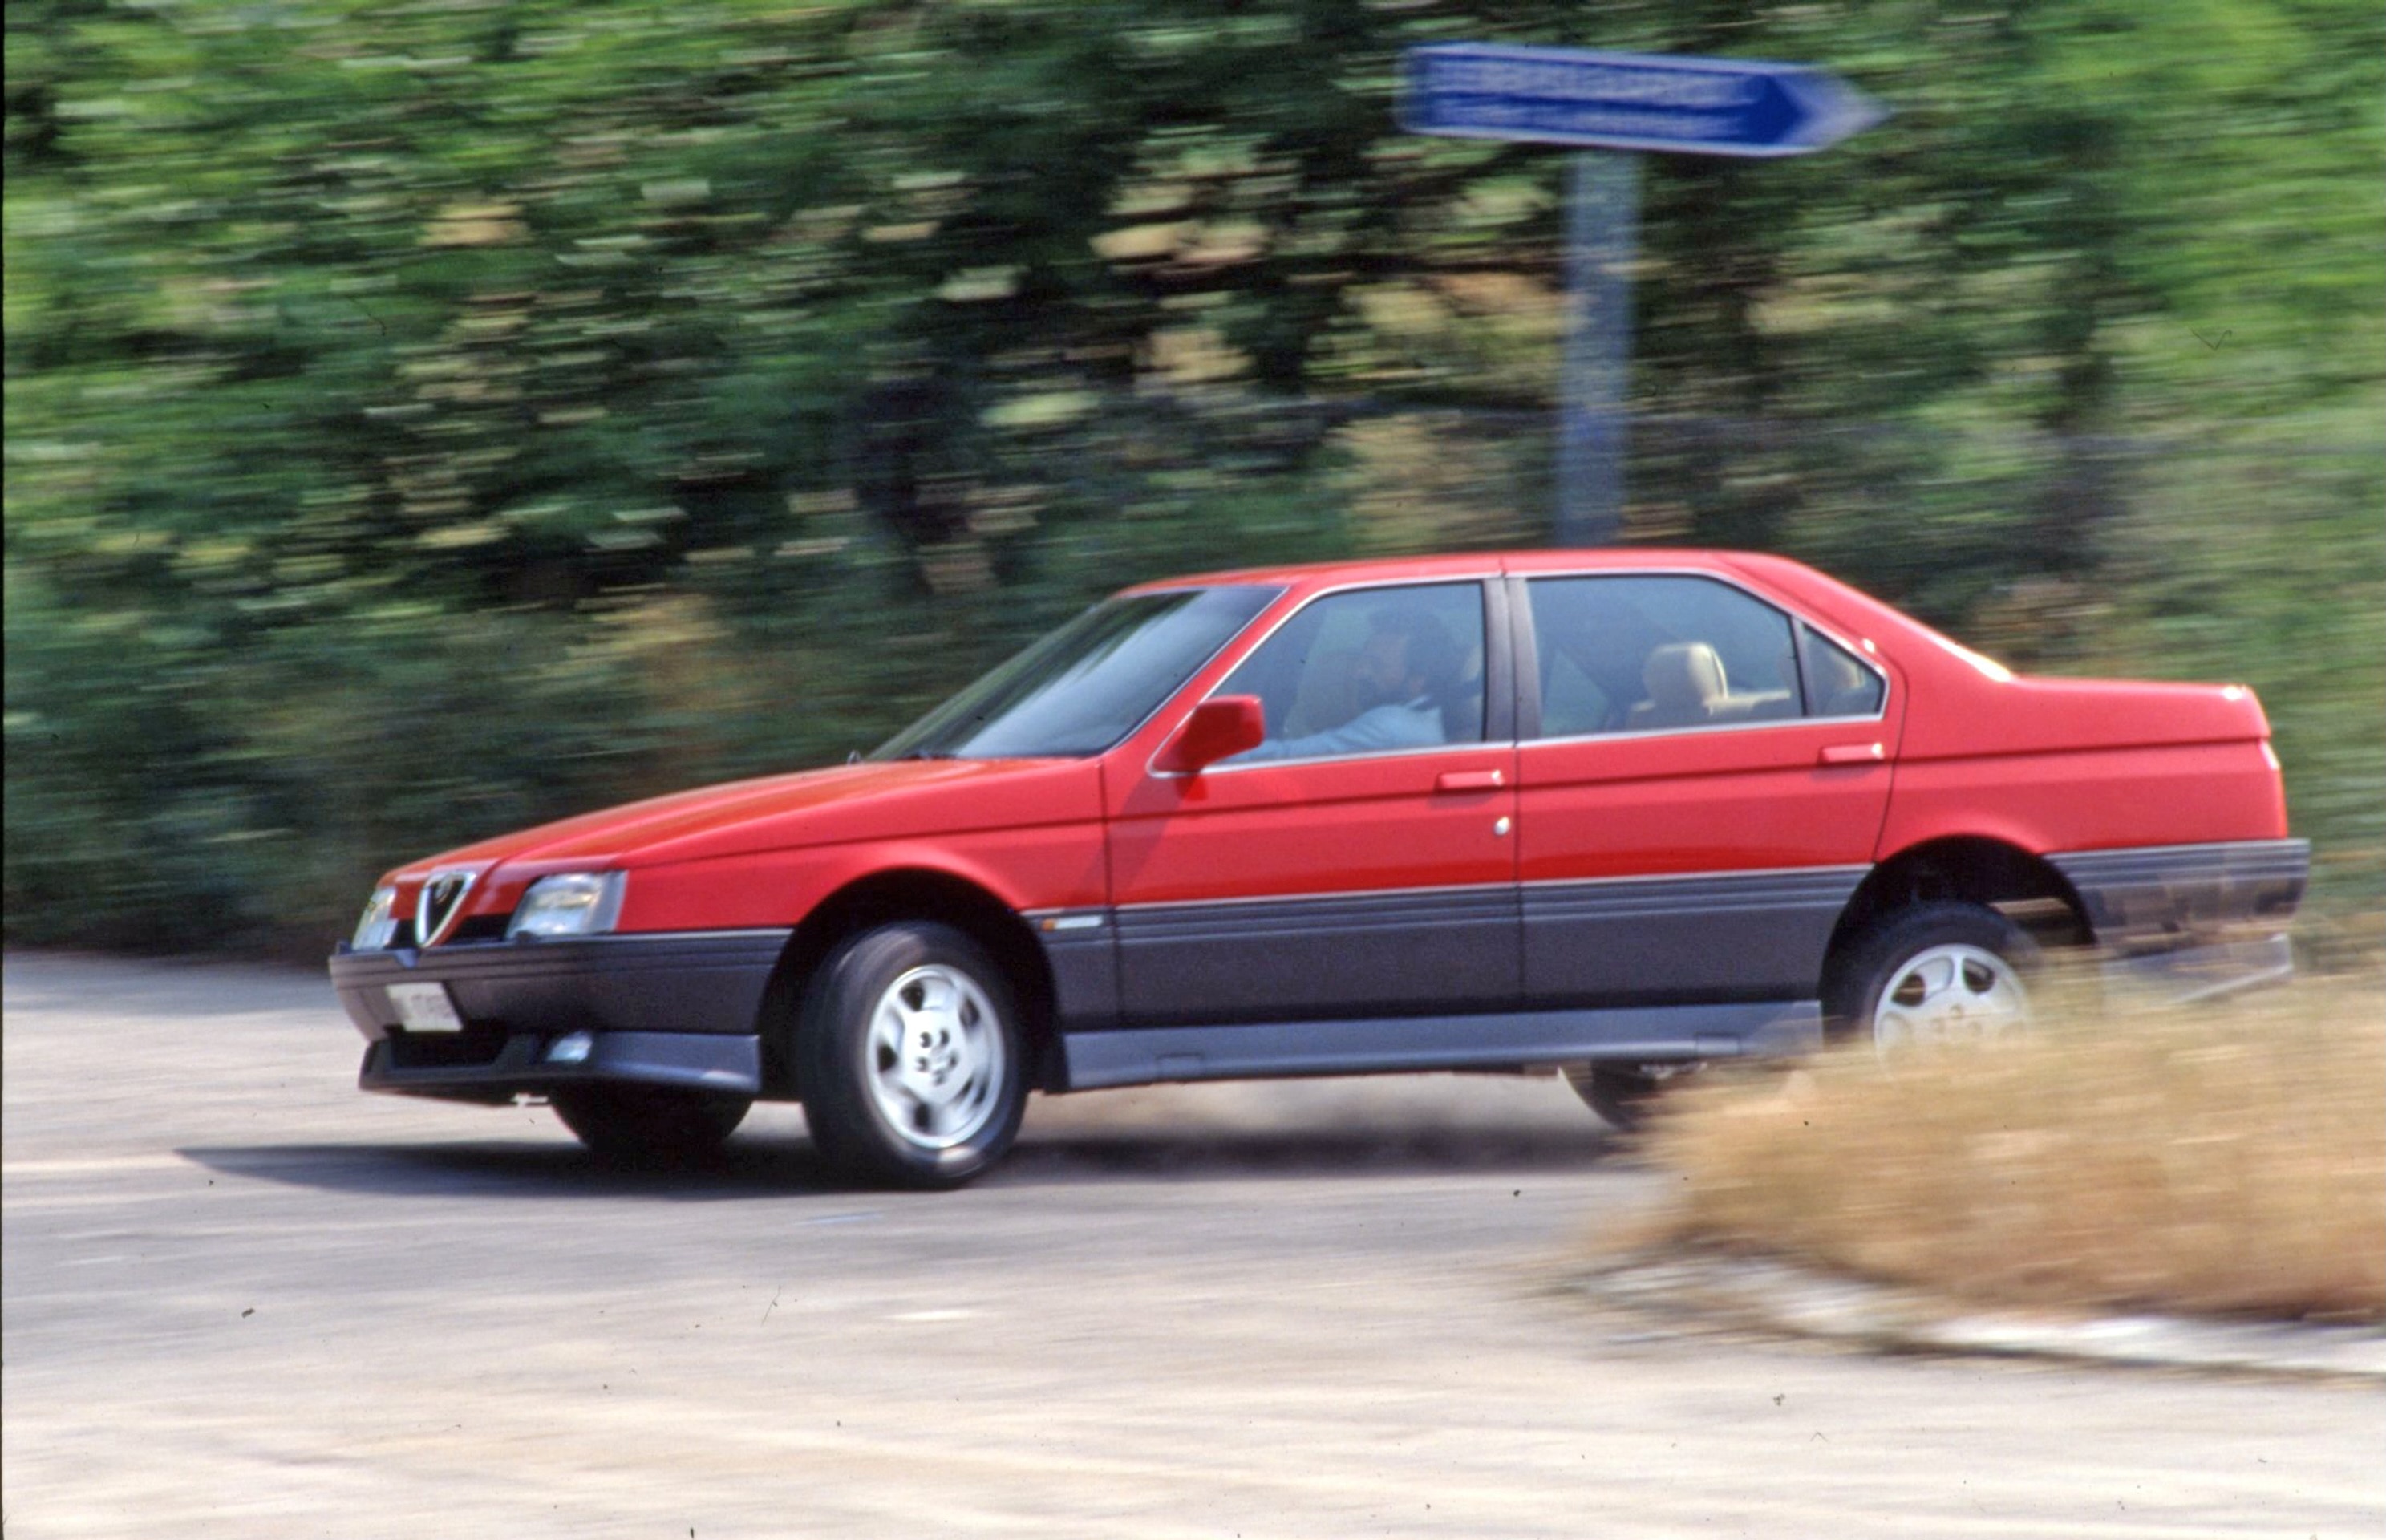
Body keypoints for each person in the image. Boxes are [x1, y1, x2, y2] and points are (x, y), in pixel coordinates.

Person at [1229, 604, 1464, 763]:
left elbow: (1288, 756)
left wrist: (1221, 755)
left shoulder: (1392, 726)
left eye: (1377, 666)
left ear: (1418, 681)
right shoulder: (1426, 722)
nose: (1359, 672)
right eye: (1363, 660)